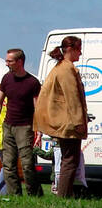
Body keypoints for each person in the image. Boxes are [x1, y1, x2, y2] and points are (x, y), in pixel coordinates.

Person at [34, 36, 88, 198]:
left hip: (65, 122)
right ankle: (64, 196)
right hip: (68, 124)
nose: (80, 52)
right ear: (70, 49)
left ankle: (65, 194)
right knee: (70, 161)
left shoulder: (61, 67)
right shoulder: (66, 69)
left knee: (67, 160)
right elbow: (72, 98)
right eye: (79, 48)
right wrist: (79, 121)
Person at [0, 47, 42, 198]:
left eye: (9, 61)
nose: (6, 63)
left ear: (20, 62)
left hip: (25, 127)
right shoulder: (6, 79)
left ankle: (35, 195)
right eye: (6, 60)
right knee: (8, 165)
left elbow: (37, 109)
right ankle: (15, 196)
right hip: (8, 126)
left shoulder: (32, 82)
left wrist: (38, 132)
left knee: (27, 165)